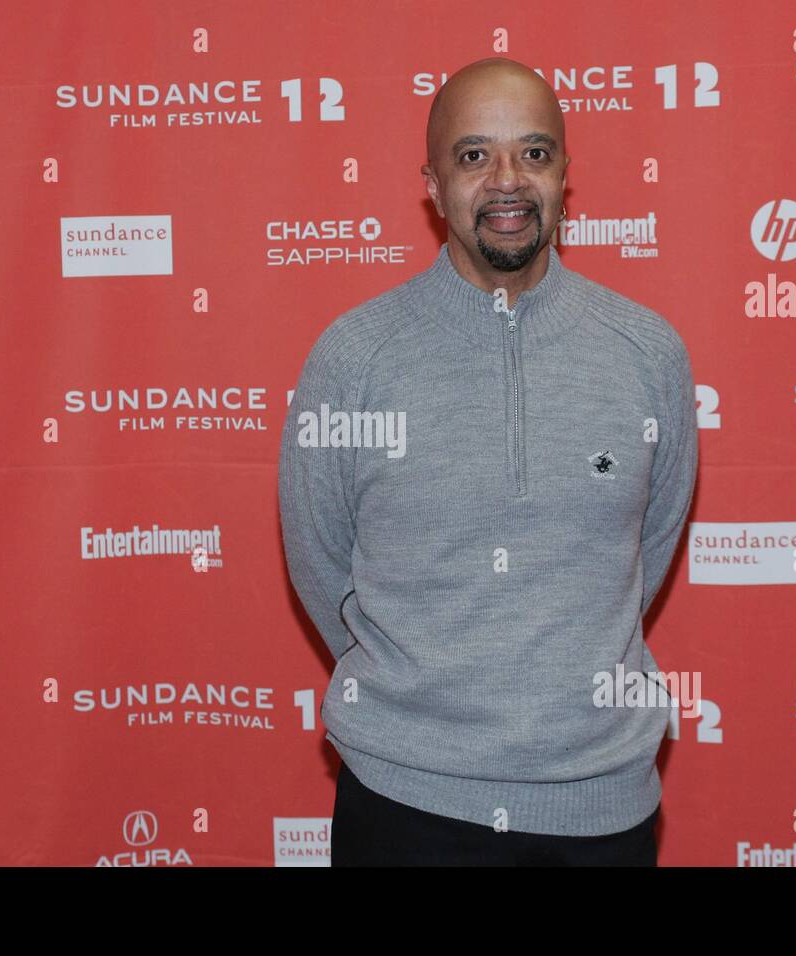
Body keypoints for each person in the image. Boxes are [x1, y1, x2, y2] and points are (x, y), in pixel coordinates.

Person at [278, 56, 698, 866]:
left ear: (566, 176)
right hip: (405, 803)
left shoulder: (648, 353)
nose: (507, 180)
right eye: (474, 156)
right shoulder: (355, 358)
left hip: (599, 808)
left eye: (533, 153)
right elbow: (321, 565)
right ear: (433, 184)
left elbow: (642, 553)